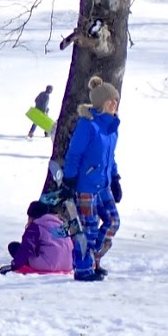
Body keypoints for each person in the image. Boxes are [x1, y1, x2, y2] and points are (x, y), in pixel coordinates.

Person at [61, 75, 122, 282]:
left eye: (116, 99)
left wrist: (115, 177)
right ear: (102, 103)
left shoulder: (112, 127)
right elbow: (74, 155)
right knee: (88, 231)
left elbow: (110, 156)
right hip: (86, 186)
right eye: (111, 100)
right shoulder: (88, 125)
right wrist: (69, 181)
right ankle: (83, 270)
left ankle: (94, 257)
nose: (115, 103)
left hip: (103, 186)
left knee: (113, 221)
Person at [1, 200, 73, 274]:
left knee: (14, 247)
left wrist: (15, 266)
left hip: (48, 265)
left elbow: (26, 248)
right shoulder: (59, 224)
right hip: (68, 264)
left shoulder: (36, 226)